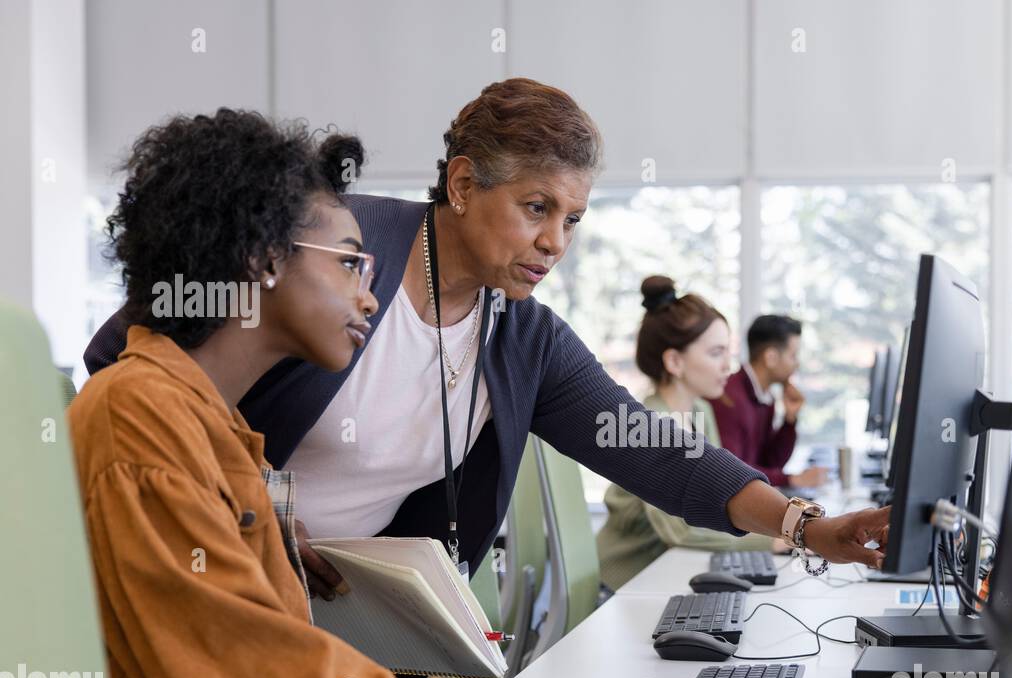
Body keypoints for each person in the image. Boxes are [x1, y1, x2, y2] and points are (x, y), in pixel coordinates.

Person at [69, 109, 733, 678]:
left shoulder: (215, 428)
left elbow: (271, 677)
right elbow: (252, 675)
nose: (372, 294)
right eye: (351, 262)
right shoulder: (140, 414)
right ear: (262, 260)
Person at [84, 79, 889, 613]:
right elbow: (122, 350)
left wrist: (802, 524)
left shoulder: (523, 338)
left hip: (353, 624)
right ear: (464, 186)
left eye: (572, 219)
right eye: (536, 206)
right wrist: (251, 499)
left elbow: (658, 453)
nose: (554, 241)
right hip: (212, 587)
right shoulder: (336, 244)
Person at [597, 276, 784, 589]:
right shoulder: (649, 426)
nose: (729, 366)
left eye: (729, 352)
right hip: (620, 585)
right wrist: (771, 539)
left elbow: (716, 498)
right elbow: (680, 532)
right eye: (716, 353)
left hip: (661, 574)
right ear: (674, 361)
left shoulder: (700, 413)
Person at [710, 313, 827, 488]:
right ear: (770, 357)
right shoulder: (728, 399)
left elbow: (771, 463)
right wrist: (792, 480)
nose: (797, 364)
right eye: (793, 356)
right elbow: (732, 472)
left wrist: (789, 421)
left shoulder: (765, 398)